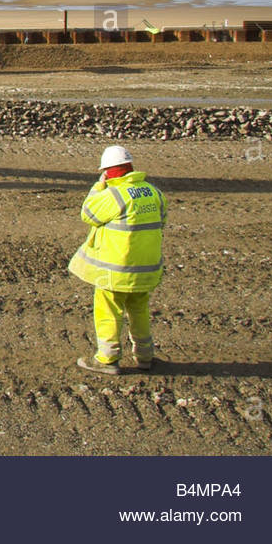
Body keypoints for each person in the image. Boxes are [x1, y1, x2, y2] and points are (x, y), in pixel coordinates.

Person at [68, 145, 166, 375]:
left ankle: (108, 359)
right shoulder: (154, 192)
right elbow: (161, 221)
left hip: (116, 270)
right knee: (139, 311)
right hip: (145, 269)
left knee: (109, 312)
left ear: (108, 172)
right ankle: (145, 356)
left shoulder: (115, 195)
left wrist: (97, 186)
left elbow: (88, 214)